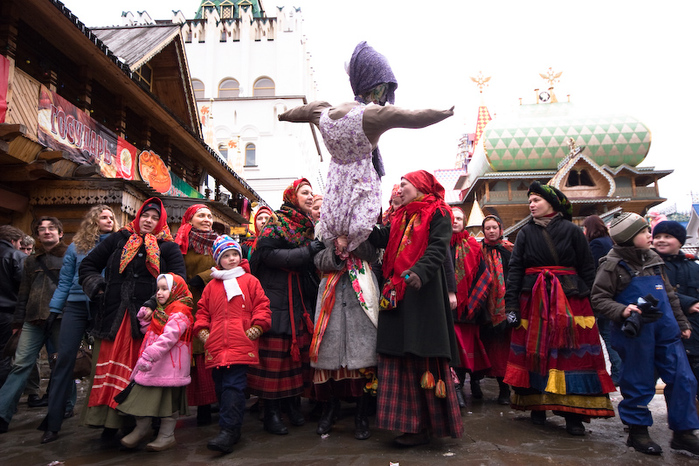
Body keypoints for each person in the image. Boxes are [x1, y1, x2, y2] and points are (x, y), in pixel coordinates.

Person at [278, 41, 454, 254]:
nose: (384, 97)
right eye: (384, 90)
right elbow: (412, 116)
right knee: (358, 255)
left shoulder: (322, 112)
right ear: (376, 86)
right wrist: (444, 112)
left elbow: (300, 112)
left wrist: (281, 116)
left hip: (336, 187)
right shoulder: (370, 116)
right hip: (361, 185)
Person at [503, 182, 615, 436]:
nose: (531, 205)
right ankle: (537, 406)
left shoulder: (573, 231)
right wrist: (511, 305)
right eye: (530, 201)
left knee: (569, 354)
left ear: (551, 204)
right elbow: (515, 270)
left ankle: (573, 415)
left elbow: (587, 268)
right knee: (535, 351)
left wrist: (590, 301)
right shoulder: (524, 233)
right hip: (532, 300)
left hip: (571, 300)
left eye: (536, 200)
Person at [591, 213, 699, 455]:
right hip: (635, 336)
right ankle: (638, 432)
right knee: (638, 383)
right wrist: (623, 310)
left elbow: (669, 295)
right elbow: (598, 299)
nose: (651, 236)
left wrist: (682, 322)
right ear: (630, 238)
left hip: (667, 332)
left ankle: (684, 433)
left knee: (684, 380)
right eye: (645, 232)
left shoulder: (653, 260)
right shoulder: (612, 265)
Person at [368, 170, 462, 446]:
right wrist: (365, 228)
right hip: (397, 291)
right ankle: (409, 425)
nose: (400, 189)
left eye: (405, 184)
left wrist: (418, 273)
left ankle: (428, 425)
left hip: (424, 293)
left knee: (421, 353)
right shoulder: (401, 215)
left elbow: (437, 249)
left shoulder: (439, 212)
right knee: (399, 356)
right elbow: (384, 238)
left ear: (420, 186)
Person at [79, 197, 185, 436]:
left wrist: (152, 303)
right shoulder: (118, 239)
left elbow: (178, 280)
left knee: (138, 371)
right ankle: (106, 423)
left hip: (146, 320)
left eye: (155, 218)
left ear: (161, 222)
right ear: (138, 216)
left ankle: (133, 424)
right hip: (113, 317)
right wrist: (98, 288)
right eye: (145, 216)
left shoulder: (168, 247)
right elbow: (88, 265)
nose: (148, 221)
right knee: (109, 370)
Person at [248, 178, 324, 435]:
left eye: (311, 193)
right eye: (305, 192)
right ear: (292, 196)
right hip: (275, 294)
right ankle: (271, 413)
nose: (310, 196)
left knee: (295, 355)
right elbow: (266, 255)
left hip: (298, 295)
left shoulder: (308, 225)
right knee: (276, 357)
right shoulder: (277, 221)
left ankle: (291, 405)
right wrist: (307, 253)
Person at [38, 206, 119, 443]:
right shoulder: (76, 247)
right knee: (64, 360)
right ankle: (53, 421)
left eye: (111, 217)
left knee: (106, 362)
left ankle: (108, 421)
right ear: (93, 221)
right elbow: (64, 281)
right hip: (74, 304)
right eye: (103, 216)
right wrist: (54, 310)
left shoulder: (119, 246)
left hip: (104, 305)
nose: (109, 220)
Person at [195, 236, 271, 453]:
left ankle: (228, 431)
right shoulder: (212, 285)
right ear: (219, 259)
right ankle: (231, 427)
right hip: (217, 344)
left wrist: (257, 327)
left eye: (234, 254)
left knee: (233, 386)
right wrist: (203, 332)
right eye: (226, 255)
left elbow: (262, 306)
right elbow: (202, 311)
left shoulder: (250, 281)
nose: (231, 259)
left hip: (240, 342)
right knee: (221, 387)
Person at [0, 217, 67, 433]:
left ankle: (66, 406)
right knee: (20, 364)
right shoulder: (30, 260)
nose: (46, 232)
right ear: (37, 235)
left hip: (59, 318)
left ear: (60, 233)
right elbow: (23, 294)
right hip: (32, 318)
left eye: (51, 228)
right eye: (42, 229)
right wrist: (18, 322)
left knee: (63, 365)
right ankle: (2, 413)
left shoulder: (69, 256)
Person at [311, 232, 379, 439]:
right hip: (330, 295)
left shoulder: (367, 229)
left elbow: (372, 254)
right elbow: (317, 259)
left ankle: (361, 415)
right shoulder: (323, 229)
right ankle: (330, 410)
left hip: (362, 293)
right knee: (330, 360)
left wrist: (351, 242)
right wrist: (335, 249)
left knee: (362, 361)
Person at [117, 273, 193, 452]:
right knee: (142, 397)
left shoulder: (180, 312)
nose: (159, 293)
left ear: (175, 290)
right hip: (154, 364)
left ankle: (167, 435)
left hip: (168, 366)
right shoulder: (162, 311)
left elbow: (169, 337)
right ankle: (141, 428)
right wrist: (145, 321)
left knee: (168, 402)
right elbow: (153, 332)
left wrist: (150, 354)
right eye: (158, 289)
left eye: (165, 289)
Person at [173, 204, 219, 426]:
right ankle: (189, 405)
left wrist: (203, 277)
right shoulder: (180, 243)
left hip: (213, 303)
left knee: (210, 350)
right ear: (190, 220)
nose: (207, 219)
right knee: (193, 352)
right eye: (201, 215)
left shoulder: (218, 242)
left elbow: (228, 264)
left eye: (209, 216)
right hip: (187, 303)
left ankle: (208, 405)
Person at [449, 207, 491, 405]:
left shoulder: (473, 246)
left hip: (468, 309)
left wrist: (472, 303)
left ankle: (471, 382)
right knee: (453, 350)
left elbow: (482, 275)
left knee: (467, 350)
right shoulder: (438, 244)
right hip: (446, 308)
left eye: (459, 218)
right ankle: (455, 389)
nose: (455, 221)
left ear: (464, 221)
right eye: (451, 218)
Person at [652, 221, 699, 385]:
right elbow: (658, 293)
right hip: (663, 328)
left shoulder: (693, 266)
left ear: (680, 241)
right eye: (657, 236)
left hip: (693, 331)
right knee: (674, 377)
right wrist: (689, 303)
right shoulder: (652, 266)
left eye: (668, 236)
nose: (661, 240)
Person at [582, 214, 621, 386]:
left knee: (607, 334)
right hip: (614, 294)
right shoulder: (609, 241)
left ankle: (618, 372)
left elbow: (595, 268)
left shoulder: (596, 244)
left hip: (604, 293)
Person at [480, 215, 514, 405]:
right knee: (488, 348)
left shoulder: (510, 249)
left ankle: (506, 389)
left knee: (506, 349)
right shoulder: (478, 250)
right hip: (485, 305)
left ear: (500, 229)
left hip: (506, 304)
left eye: (494, 228)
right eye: (487, 228)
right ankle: (478, 385)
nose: (491, 231)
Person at [0, 225, 27, 388]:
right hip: (7, 313)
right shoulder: (15, 256)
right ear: (13, 241)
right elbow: (24, 286)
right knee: (5, 355)